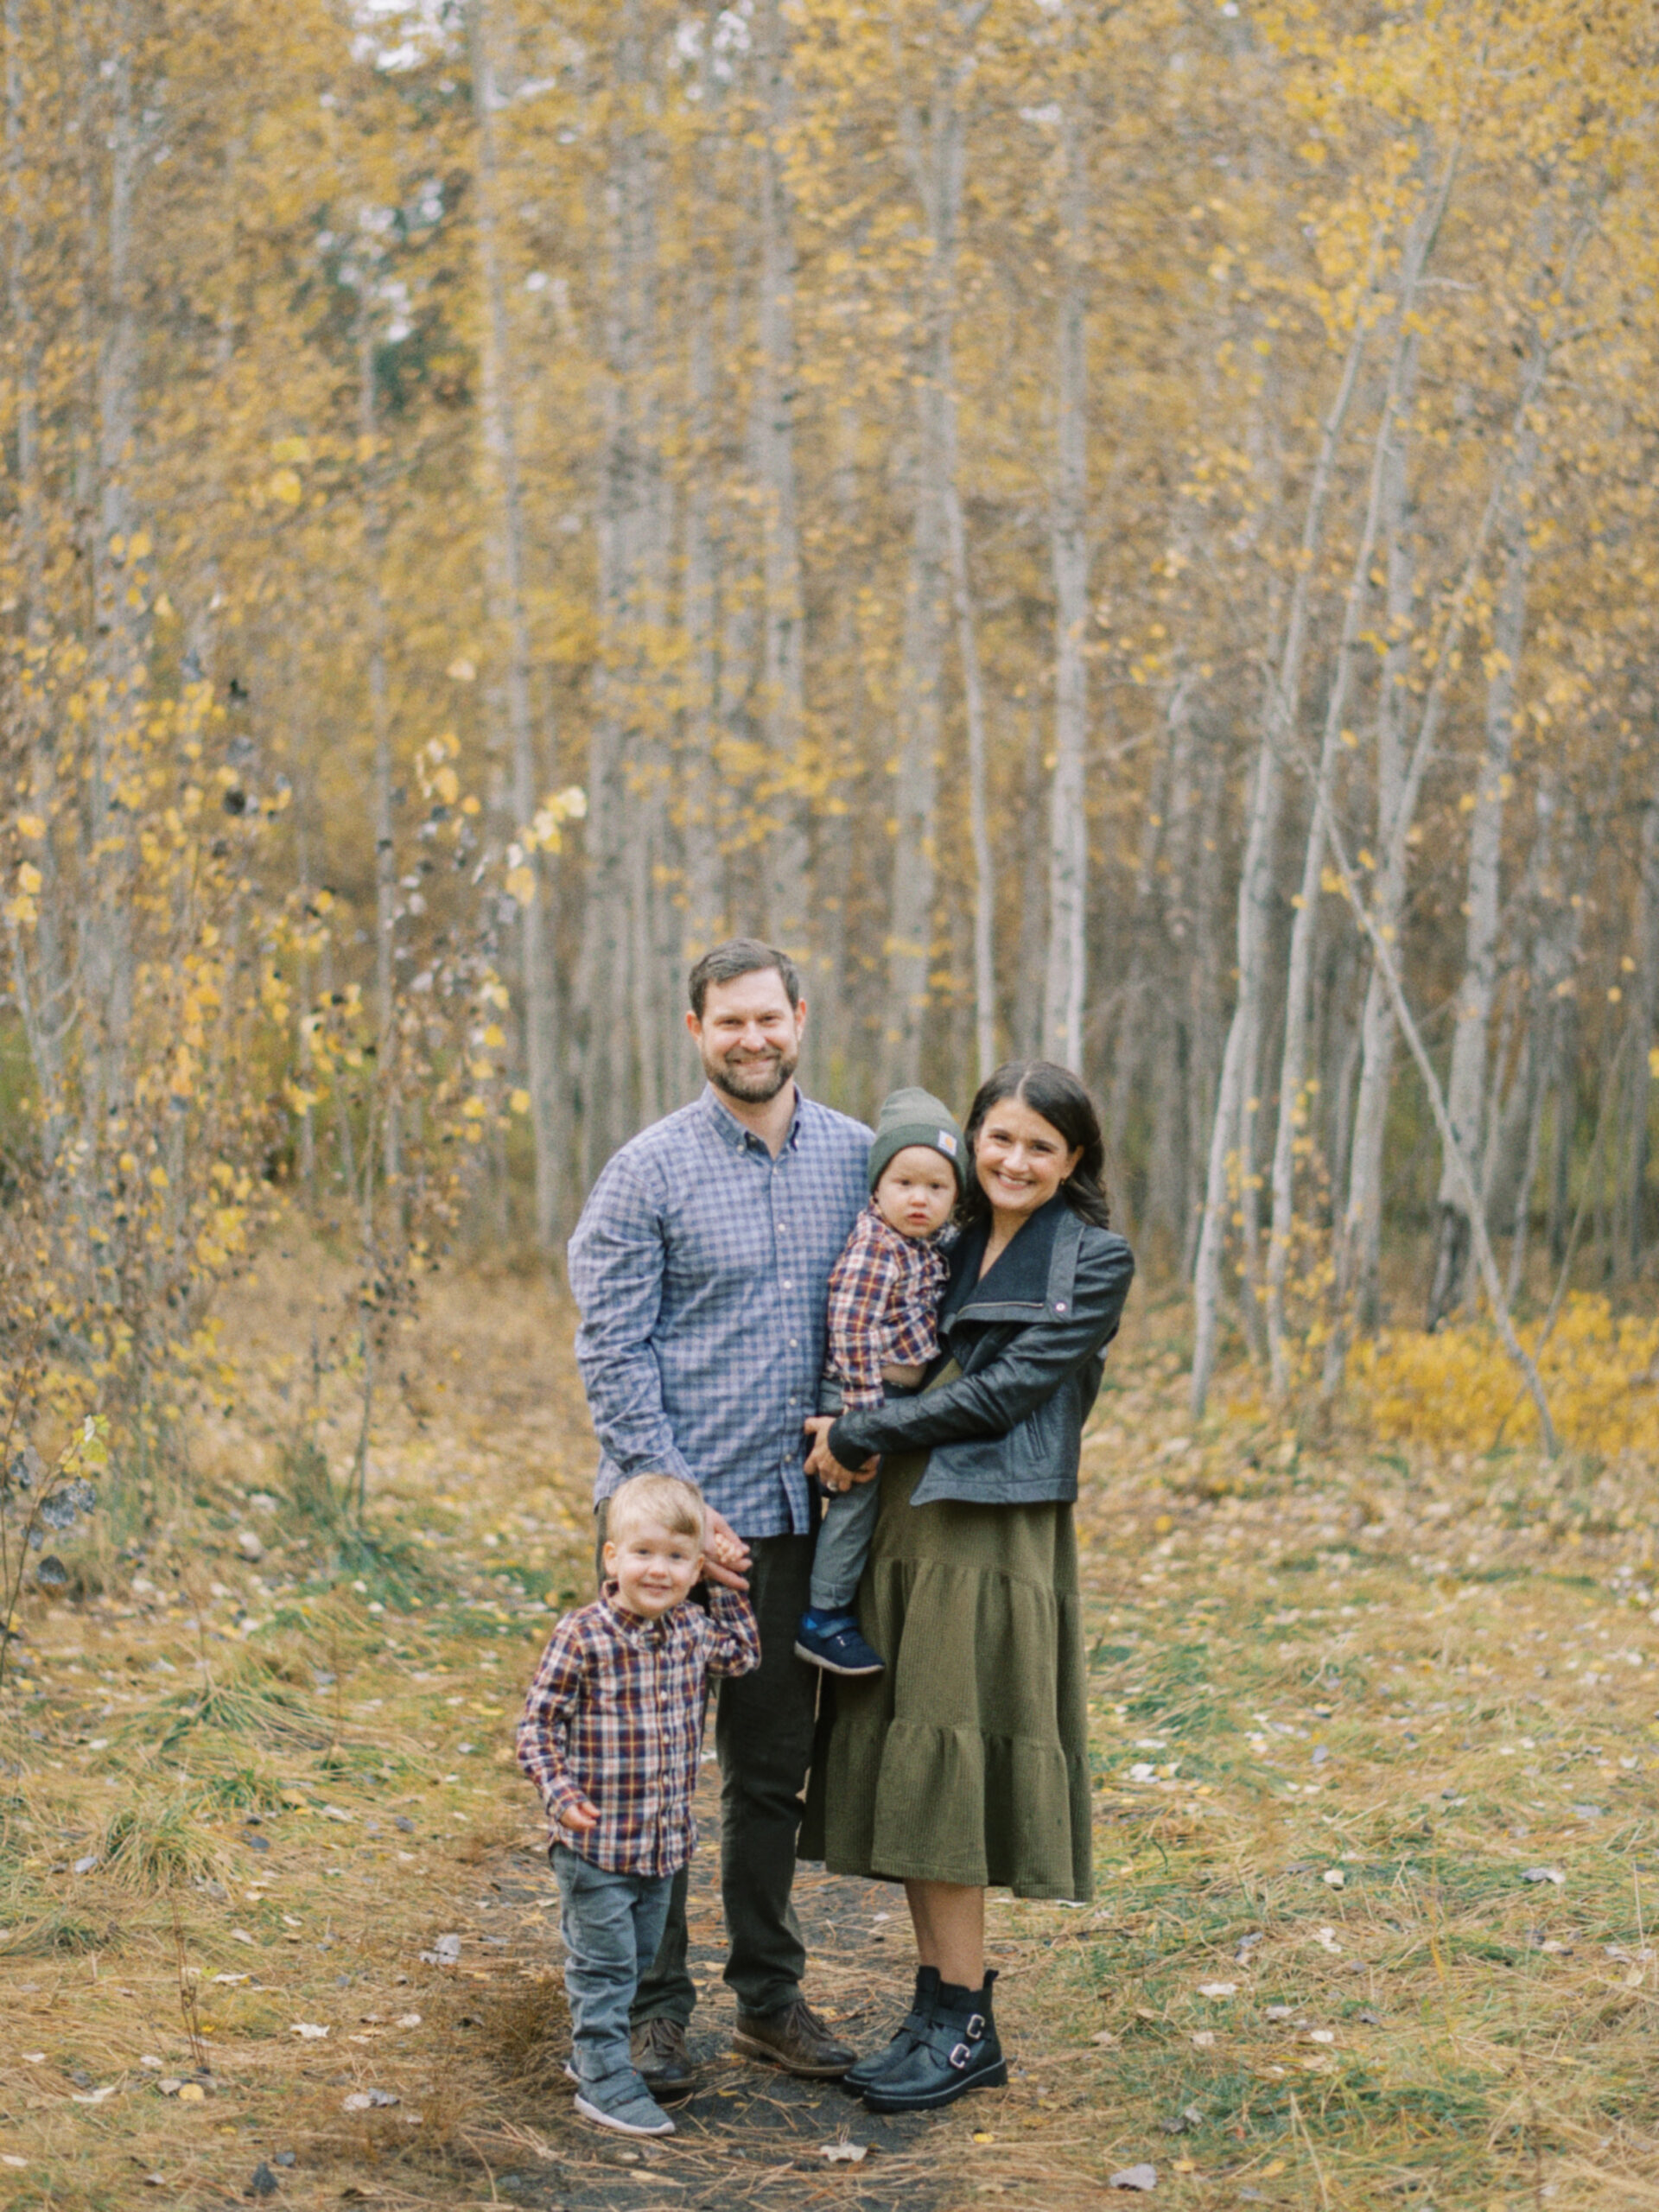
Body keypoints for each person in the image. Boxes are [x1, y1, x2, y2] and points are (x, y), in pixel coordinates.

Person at [801, 1060, 1135, 2114]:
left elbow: (1002, 1395)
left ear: (1075, 1159)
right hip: (904, 1518)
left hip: (993, 1534)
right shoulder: (935, 1235)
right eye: (999, 1138)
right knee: (912, 1765)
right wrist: (841, 1426)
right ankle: (939, 2007)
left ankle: (965, 2025)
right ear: (971, 1138)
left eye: (1042, 1145)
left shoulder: (1094, 1258)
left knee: (951, 1759)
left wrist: (859, 1429)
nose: (1014, 1160)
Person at [565, 939, 870, 2094]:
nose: (752, 1039)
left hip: (801, 1523)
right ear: (696, 1031)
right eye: (727, 1022)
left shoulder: (857, 1160)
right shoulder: (646, 1173)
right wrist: (686, 1521)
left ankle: (769, 1997)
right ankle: (651, 2009)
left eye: (768, 1018)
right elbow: (612, 1347)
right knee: (647, 1772)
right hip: (666, 1533)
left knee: (766, 1776)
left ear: (800, 1017)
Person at [516, 1473, 760, 2137]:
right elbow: (536, 1727)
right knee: (604, 1966)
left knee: (637, 1957)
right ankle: (604, 2078)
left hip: (662, 1846)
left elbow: (742, 1656)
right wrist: (561, 1796)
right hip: (594, 1846)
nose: (659, 1570)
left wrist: (725, 1589)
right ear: (612, 1558)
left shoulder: (692, 1629)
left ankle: (591, 2051)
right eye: (644, 1553)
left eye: (678, 1558)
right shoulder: (583, 1636)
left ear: (695, 1568)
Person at [795, 1087, 965, 1678]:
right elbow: (850, 1327)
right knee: (856, 1501)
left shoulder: (923, 1245)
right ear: (877, 1188)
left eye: (937, 1188)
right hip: (859, 1394)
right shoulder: (876, 1245)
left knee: (866, 1500)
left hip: (888, 1399)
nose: (919, 1199)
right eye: (904, 1184)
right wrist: (861, 1423)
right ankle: (823, 1615)